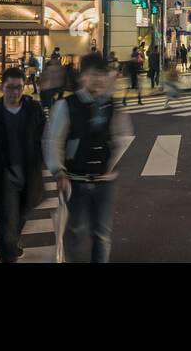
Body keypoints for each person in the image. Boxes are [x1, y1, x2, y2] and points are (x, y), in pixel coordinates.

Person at [43, 52, 133, 263]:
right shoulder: (66, 105)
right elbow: (53, 139)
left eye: (102, 75)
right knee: (74, 230)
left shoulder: (111, 105)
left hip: (104, 181)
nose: (98, 79)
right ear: (82, 77)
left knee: (102, 234)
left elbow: (123, 134)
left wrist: (110, 159)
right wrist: (58, 170)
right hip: (74, 179)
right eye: (93, 74)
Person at [0, 68, 46, 262]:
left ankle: (12, 242)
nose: (15, 92)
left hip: (29, 174)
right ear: (1, 88)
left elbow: (43, 137)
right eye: (10, 88)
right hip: (4, 176)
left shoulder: (34, 110)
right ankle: (8, 252)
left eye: (19, 88)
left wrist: (39, 161)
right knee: (7, 221)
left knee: (21, 215)